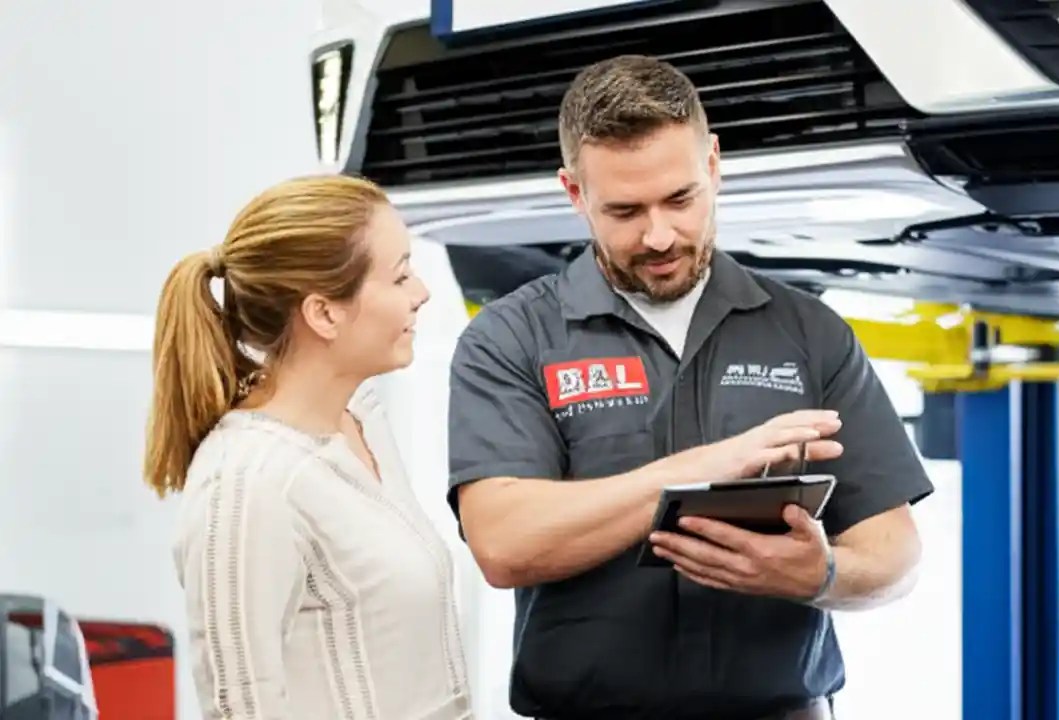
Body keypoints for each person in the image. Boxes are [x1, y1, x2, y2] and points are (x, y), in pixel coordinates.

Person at [446, 55, 935, 720]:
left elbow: (895, 551)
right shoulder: (512, 338)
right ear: (574, 192)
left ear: (713, 164)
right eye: (624, 210)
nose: (658, 236)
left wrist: (821, 575)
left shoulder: (810, 332)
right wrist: (705, 466)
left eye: (680, 199)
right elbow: (504, 545)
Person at [144, 174, 473, 720]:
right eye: (399, 276)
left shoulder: (361, 419)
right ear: (323, 313)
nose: (421, 292)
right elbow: (240, 708)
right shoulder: (247, 483)